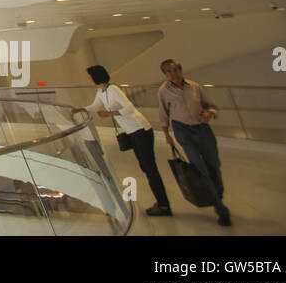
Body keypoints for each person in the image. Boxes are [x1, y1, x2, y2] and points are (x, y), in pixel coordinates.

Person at [70, 64, 172, 217]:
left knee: (150, 168)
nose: (89, 79)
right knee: (146, 167)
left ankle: (164, 205)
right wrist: (79, 110)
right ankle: (161, 202)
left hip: (141, 129)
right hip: (132, 132)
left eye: (90, 76)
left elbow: (129, 108)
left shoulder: (113, 90)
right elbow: (94, 106)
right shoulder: (101, 91)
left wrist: (111, 113)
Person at [158, 58, 229, 225]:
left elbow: (211, 106)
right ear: (165, 74)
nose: (173, 74)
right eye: (168, 71)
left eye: (175, 70)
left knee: (214, 166)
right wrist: (167, 135)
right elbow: (163, 114)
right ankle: (220, 207)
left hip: (202, 130)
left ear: (180, 70)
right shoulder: (164, 91)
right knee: (200, 169)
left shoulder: (194, 86)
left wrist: (209, 114)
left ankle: (218, 195)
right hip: (183, 131)